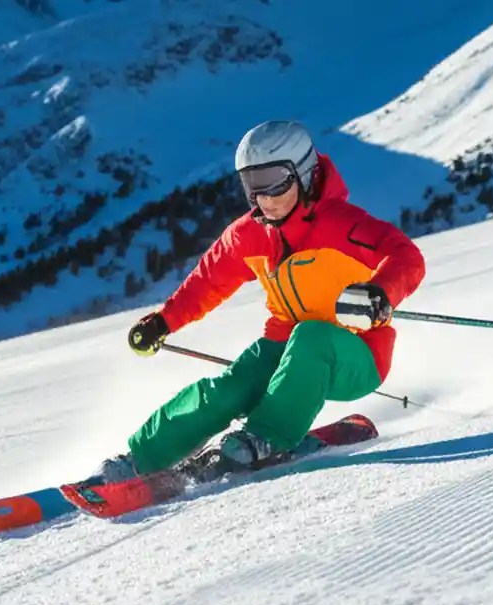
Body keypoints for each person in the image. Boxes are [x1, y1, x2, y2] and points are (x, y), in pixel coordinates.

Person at [96, 119, 426, 480]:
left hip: (357, 354)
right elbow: (207, 281)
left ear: (303, 173)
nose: (263, 197)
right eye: (252, 184)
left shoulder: (342, 225)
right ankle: (143, 459)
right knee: (231, 387)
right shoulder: (248, 235)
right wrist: (164, 321)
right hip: (283, 345)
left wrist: (381, 292)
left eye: (273, 181)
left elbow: (405, 256)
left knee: (311, 336)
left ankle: (266, 437)